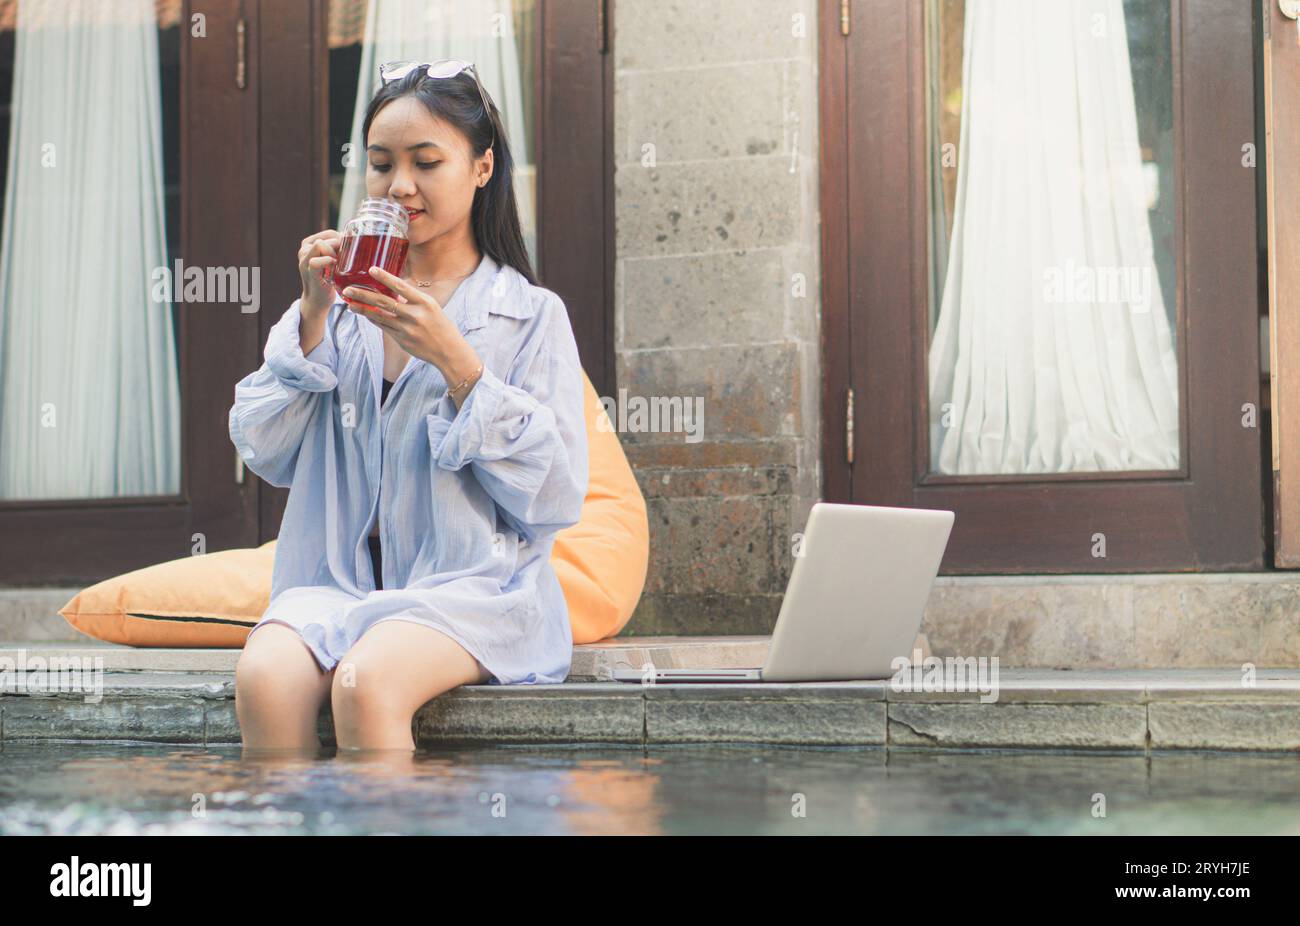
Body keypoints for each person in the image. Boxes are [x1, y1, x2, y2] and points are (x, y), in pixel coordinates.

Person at [228, 60, 588, 752]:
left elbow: (555, 498)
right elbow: (262, 449)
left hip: (473, 589)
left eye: (427, 162)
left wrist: (457, 363)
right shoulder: (338, 308)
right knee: (266, 680)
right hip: (333, 584)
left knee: (366, 682)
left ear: (482, 168)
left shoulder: (530, 316)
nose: (400, 186)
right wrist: (310, 317)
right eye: (381, 164)